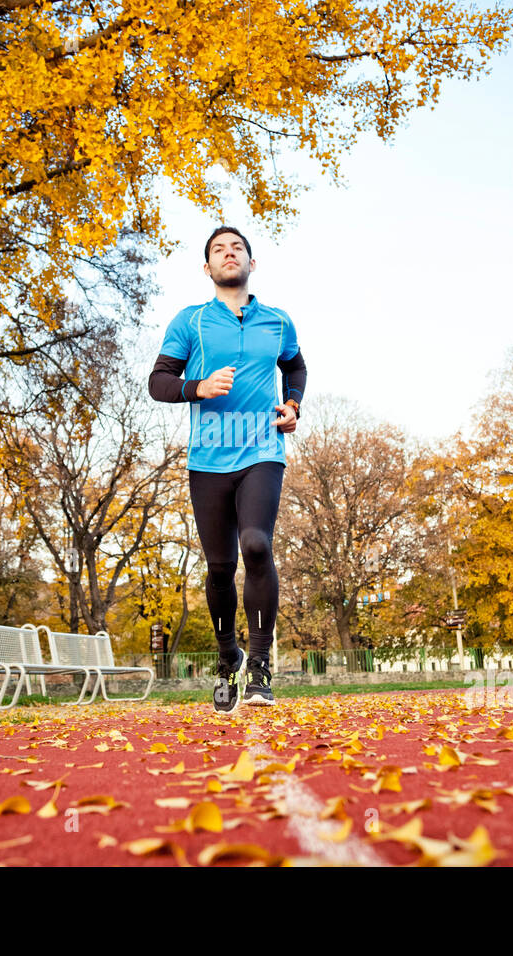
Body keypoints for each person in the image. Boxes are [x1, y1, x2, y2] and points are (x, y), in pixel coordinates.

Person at [148, 226, 307, 713]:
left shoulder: (278, 321)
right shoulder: (190, 322)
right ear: (208, 268)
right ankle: (227, 656)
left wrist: (293, 404)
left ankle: (259, 669)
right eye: (218, 249)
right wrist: (197, 387)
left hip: (262, 450)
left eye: (237, 247)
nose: (228, 253)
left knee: (256, 545)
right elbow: (158, 383)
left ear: (251, 264)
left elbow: (295, 368)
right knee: (220, 566)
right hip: (209, 458)